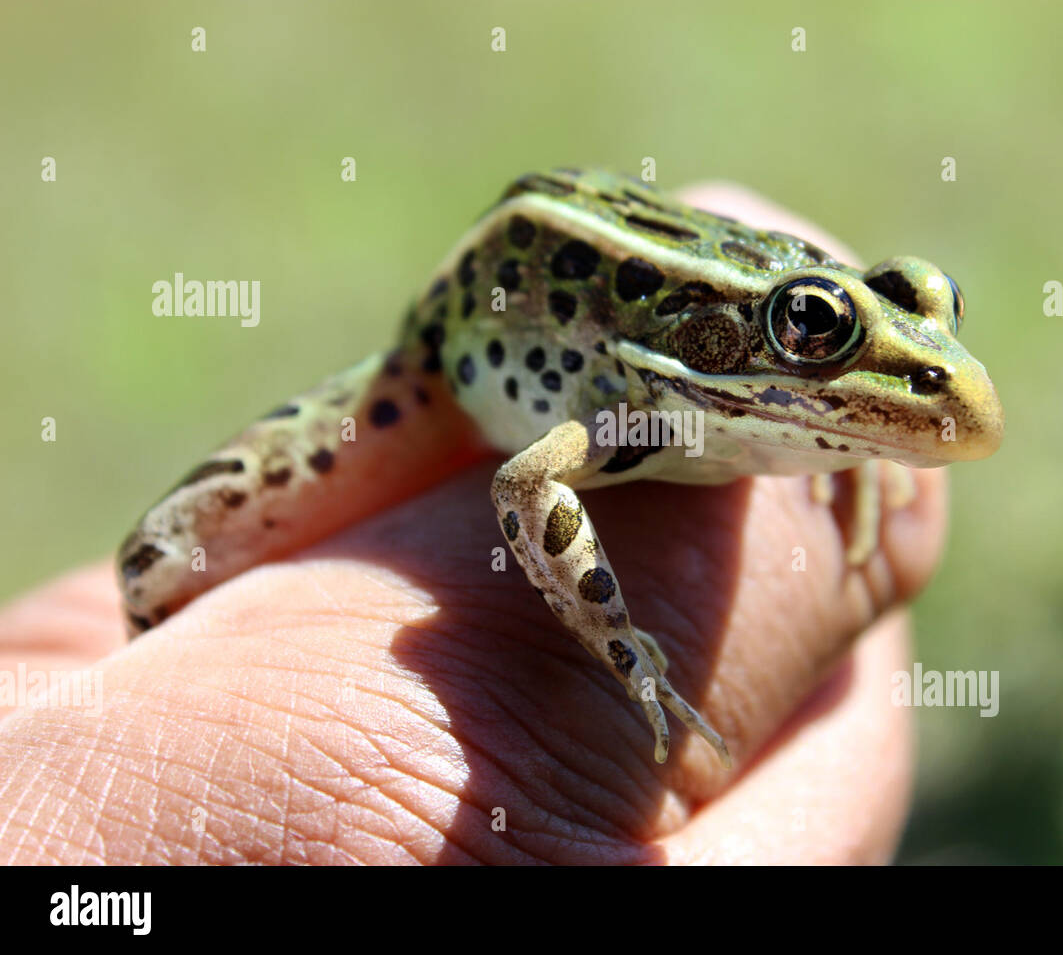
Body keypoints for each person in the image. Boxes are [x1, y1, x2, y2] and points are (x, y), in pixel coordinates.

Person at [0, 185, 950, 864]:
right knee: (163, 557)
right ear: (721, 334)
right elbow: (529, 484)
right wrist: (622, 647)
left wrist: (853, 437)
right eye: (818, 332)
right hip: (444, 366)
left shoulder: (791, 404)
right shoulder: (640, 404)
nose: (931, 372)